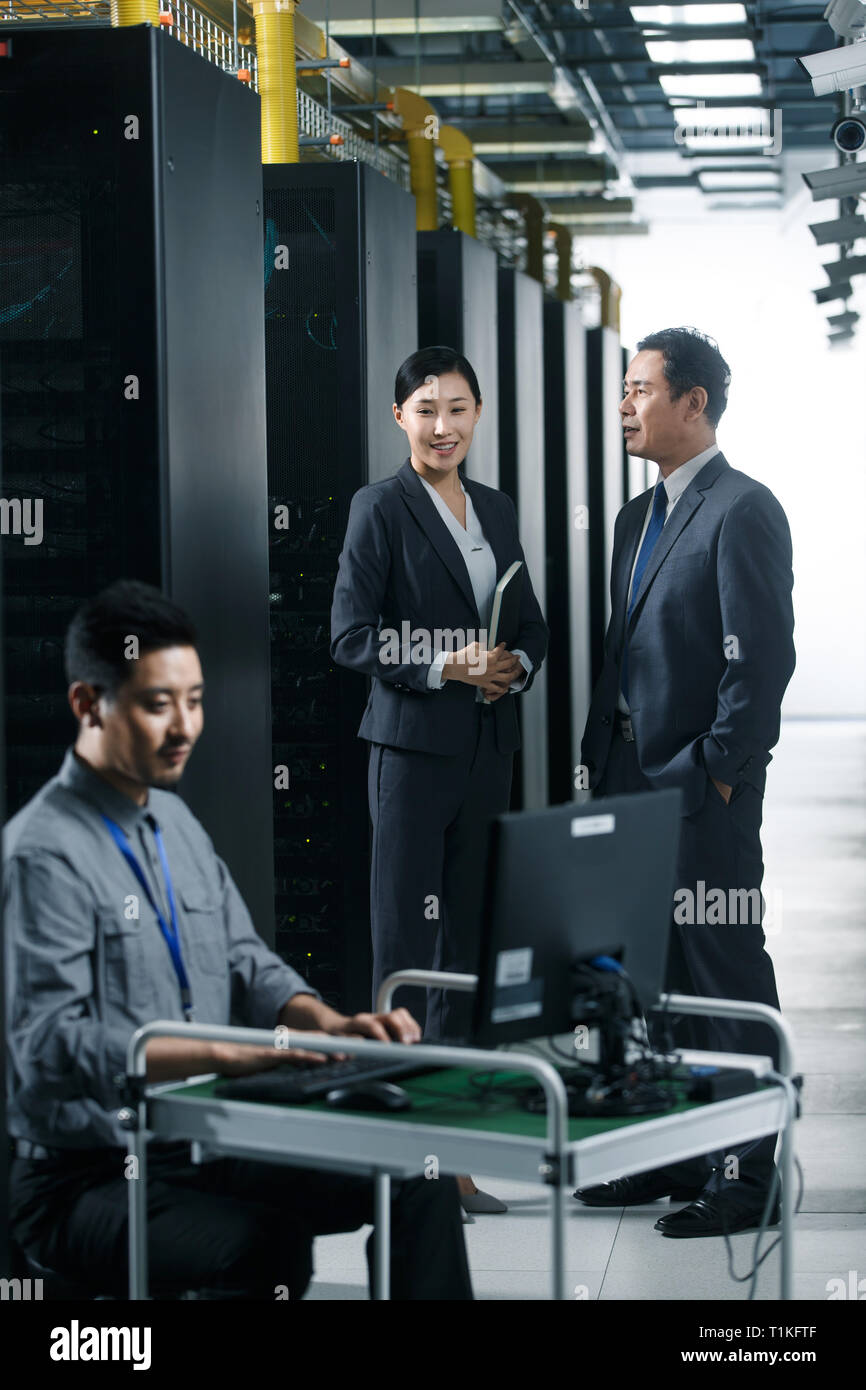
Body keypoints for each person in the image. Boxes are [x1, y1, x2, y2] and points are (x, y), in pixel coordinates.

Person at [5, 579, 472, 1300]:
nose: (184, 726)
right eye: (158, 704)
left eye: (193, 701)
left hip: (202, 1139)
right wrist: (236, 1055)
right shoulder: (43, 854)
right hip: (82, 1175)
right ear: (86, 704)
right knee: (262, 1247)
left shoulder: (175, 823)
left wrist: (330, 1023)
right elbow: (51, 1049)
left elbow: (246, 962)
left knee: (418, 1170)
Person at [577, 327, 795, 1238]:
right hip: (628, 781)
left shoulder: (744, 509)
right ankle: (669, 1151)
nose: (624, 406)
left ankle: (748, 1175)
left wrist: (719, 779)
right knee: (646, 976)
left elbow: (764, 661)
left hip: (699, 792)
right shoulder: (637, 518)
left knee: (722, 969)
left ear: (693, 402)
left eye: (639, 389)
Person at [330, 346, 548, 1214]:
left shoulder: (493, 508)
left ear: (478, 415)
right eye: (427, 409)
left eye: (458, 408)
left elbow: (529, 622)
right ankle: (403, 1160)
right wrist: (441, 668)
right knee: (407, 956)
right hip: (412, 755)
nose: (444, 425)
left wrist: (513, 669)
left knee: (466, 957)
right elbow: (349, 636)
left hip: (487, 753)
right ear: (400, 419)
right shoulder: (378, 509)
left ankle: (451, 1158)